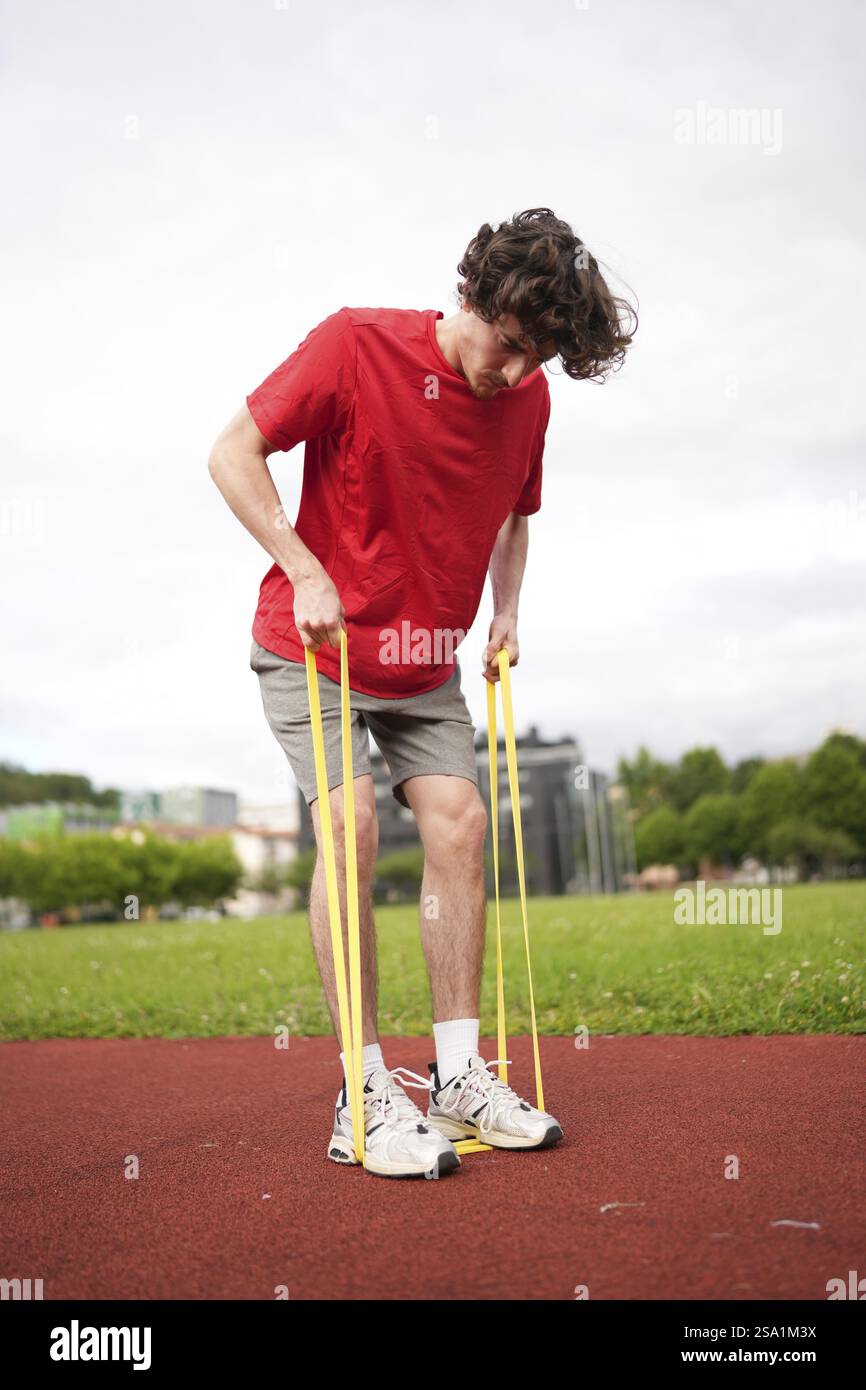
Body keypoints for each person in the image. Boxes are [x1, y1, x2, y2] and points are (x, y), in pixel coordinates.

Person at [208, 207, 635, 1178]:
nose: (516, 372)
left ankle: (453, 1077)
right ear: (471, 298)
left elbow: (513, 517)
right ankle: (360, 1095)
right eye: (510, 344)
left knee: (459, 824)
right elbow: (232, 450)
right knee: (349, 822)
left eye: (540, 359)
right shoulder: (355, 344)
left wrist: (506, 613)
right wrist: (301, 564)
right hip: (312, 646)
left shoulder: (527, 402)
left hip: (423, 659)